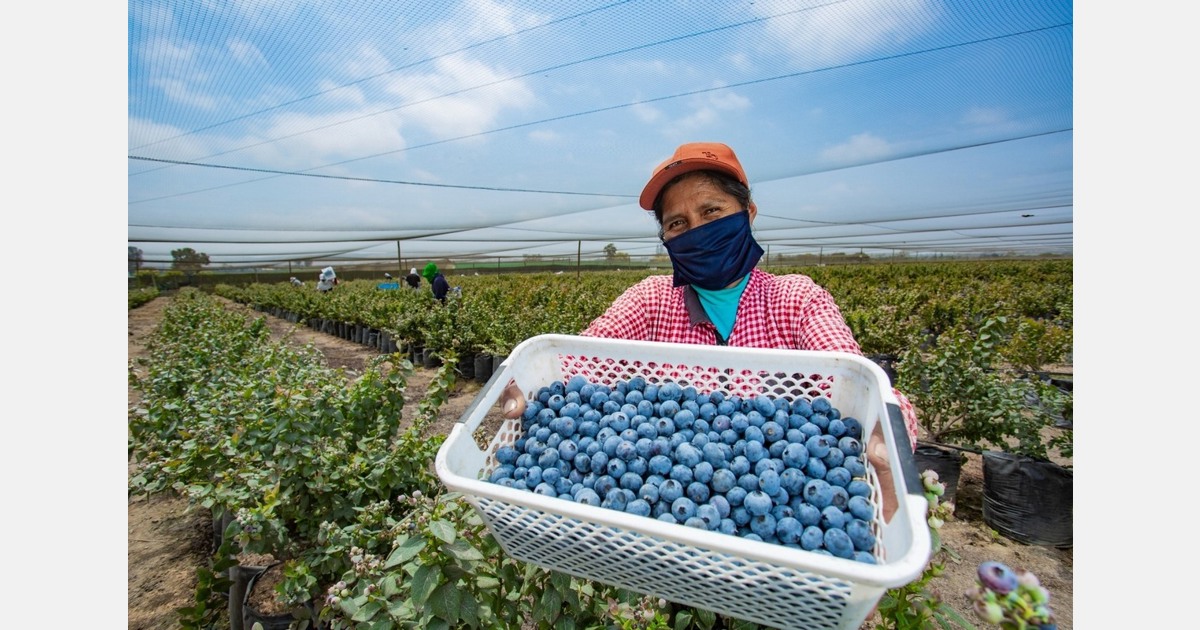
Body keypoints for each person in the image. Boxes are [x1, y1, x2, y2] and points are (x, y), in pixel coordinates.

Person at [500, 141, 920, 520]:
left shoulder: (796, 301)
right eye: (678, 223)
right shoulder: (651, 301)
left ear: (748, 213)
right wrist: (519, 379)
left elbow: (864, 384)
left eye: (712, 212)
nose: (697, 231)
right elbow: (574, 358)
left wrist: (890, 431)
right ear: (665, 237)